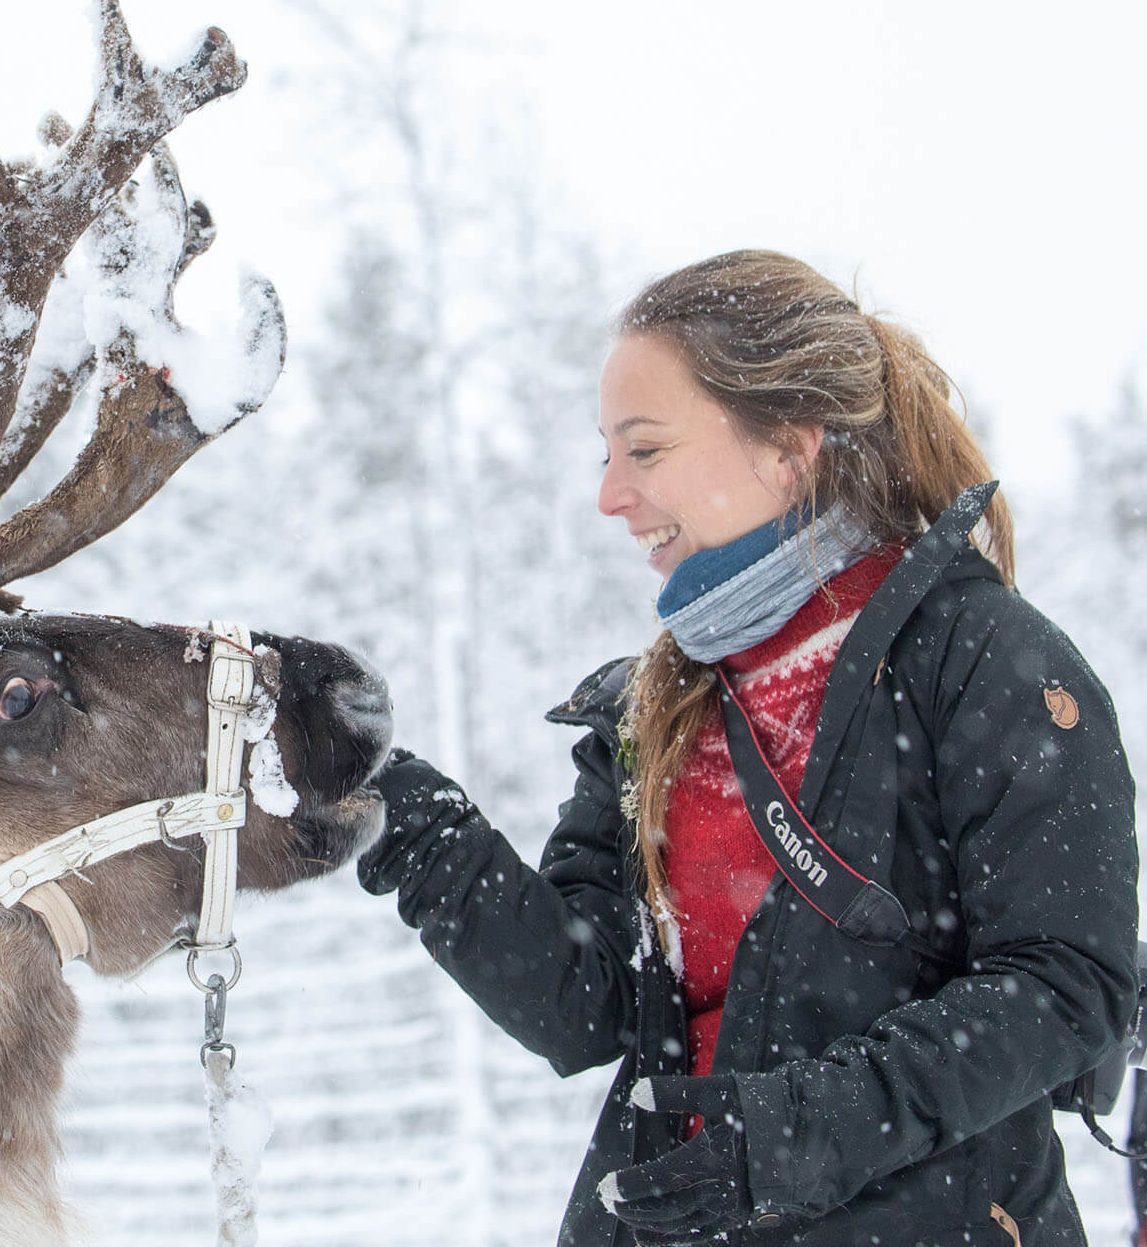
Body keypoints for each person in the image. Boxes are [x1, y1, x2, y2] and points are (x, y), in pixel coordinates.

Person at [359, 250, 1139, 1246]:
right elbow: (585, 1005)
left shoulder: (988, 662)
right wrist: (411, 823)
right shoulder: (654, 703)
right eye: (605, 453)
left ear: (790, 448)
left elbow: (1068, 985)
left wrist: (792, 1137)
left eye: (643, 451)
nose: (608, 494)